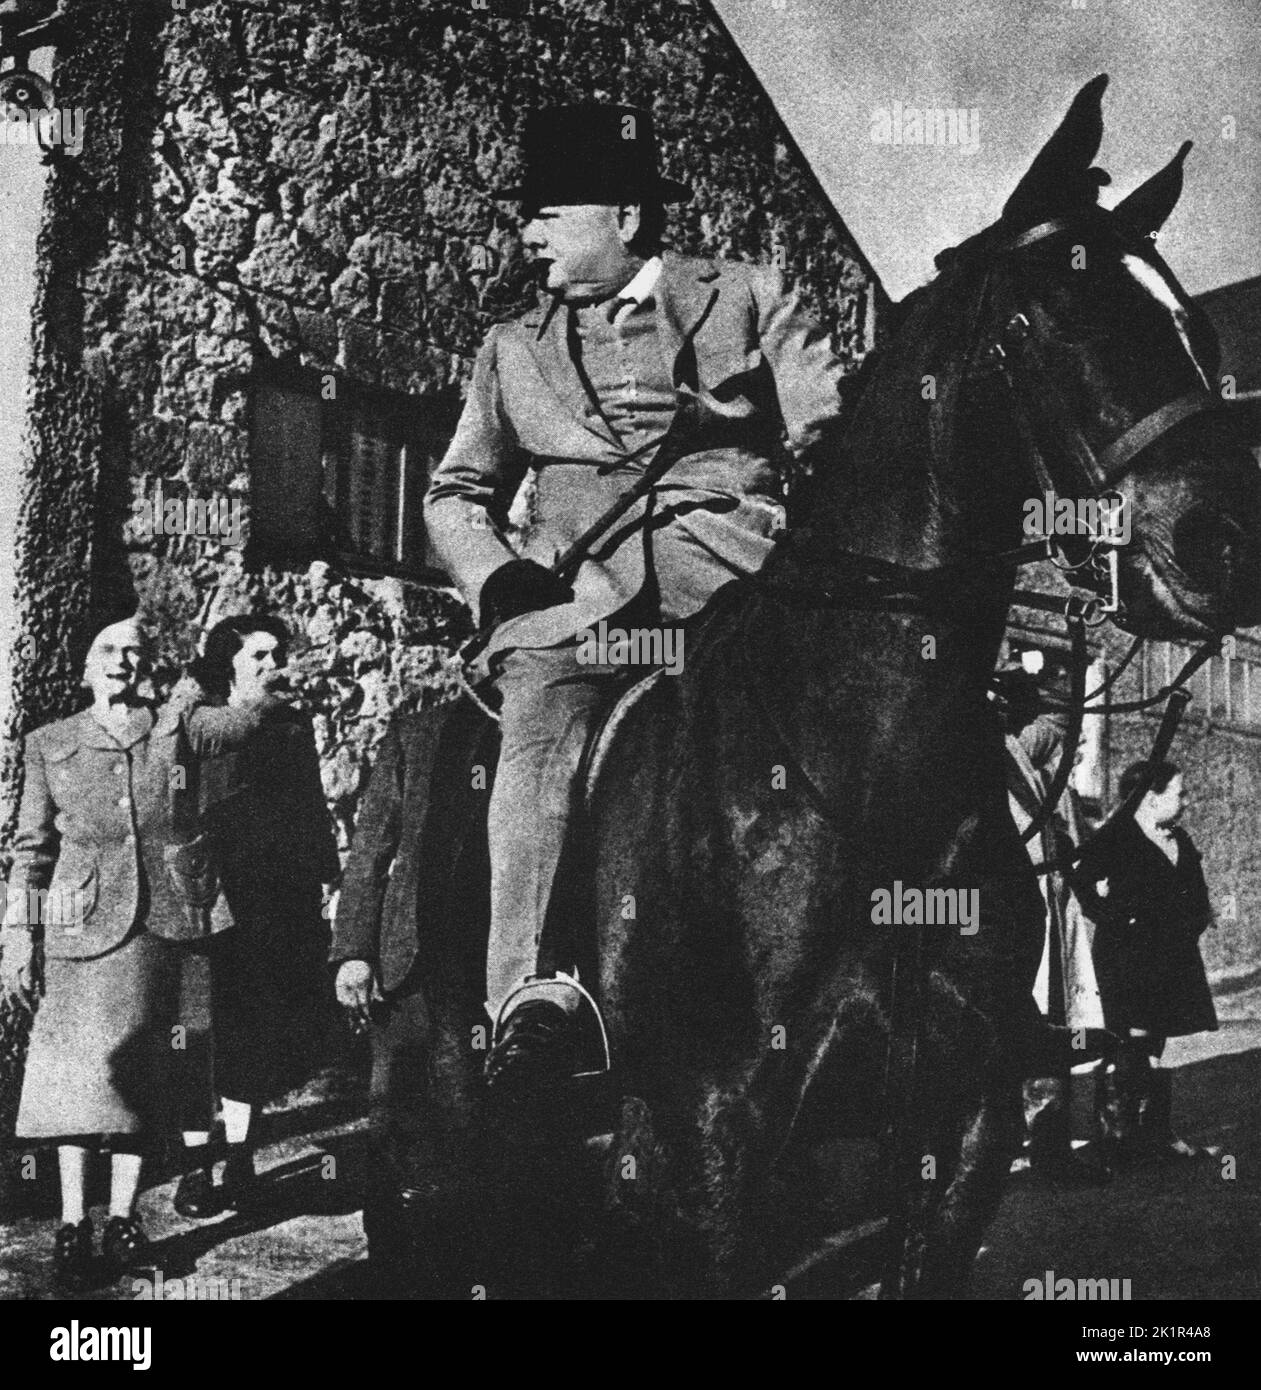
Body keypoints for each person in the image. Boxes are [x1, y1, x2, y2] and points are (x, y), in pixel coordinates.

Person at [424, 103, 848, 1088]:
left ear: (623, 215)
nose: (526, 235)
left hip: (739, 573)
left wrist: (813, 506)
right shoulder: (509, 347)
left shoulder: (748, 295)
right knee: (537, 732)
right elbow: (454, 492)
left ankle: (953, 956)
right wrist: (497, 575)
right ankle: (526, 1002)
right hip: (577, 604)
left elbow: (828, 424)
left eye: (546, 213)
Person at [0, 615, 288, 1286]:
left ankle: (125, 1219)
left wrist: (241, 676)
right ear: (86, 667)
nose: (122, 661)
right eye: (108, 650)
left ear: (149, 666)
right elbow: (30, 849)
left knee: (154, 1077)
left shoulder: (178, 723)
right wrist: (19, 934)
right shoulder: (51, 742)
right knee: (81, 1083)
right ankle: (74, 1226)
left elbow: (242, 726)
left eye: (134, 652)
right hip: (80, 929)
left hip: (169, 925)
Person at [171, 615, 339, 1218]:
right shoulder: (195, 728)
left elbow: (311, 804)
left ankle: (239, 1160)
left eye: (277, 654)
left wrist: (327, 879)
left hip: (273, 904)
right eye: (260, 656)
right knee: (194, 1035)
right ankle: (195, 1170)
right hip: (205, 899)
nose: (273, 664)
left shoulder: (292, 725)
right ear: (230, 663)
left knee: (250, 1033)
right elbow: (172, 807)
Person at [1073, 760, 1218, 1166]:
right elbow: (1082, 881)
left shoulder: (1180, 838)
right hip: (1128, 954)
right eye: (1179, 793)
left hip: (1172, 955)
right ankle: (1118, 1139)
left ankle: (1154, 1134)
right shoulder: (1117, 837)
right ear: (1152, 797)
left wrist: (1196, 921)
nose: (1186, 801)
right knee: (1129, 1040)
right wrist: (1111, 916)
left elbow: (1197, 892)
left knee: (1155, 1041)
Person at [997, 667, 1107, 1186]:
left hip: (1045, 913)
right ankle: (1041, 1150)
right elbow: (1058, 718)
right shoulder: (1003, 752)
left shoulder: (1028, 763)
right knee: (1035, 1031)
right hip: (1017, 917)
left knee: (1056, 1030)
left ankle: (1050, 1149)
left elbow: (1059, 720)